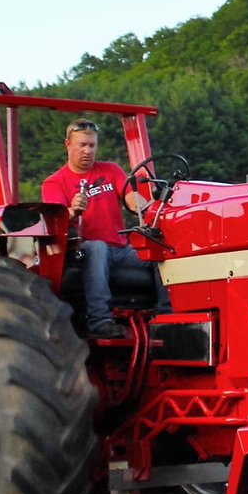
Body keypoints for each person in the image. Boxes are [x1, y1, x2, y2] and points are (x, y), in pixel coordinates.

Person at [41, 118, 170, 338]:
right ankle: (99, 321)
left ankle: (167, 316)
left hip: (120, 248)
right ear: (68, 144)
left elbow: (131, 198)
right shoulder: (54, 183)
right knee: (97, 248)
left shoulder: (111, 170)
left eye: (92, 145)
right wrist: (73, 211)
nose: (87, 151)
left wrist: (150, 206)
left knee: (160, 250)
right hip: (83, 251)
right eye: (82, 145)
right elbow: (58, 219)